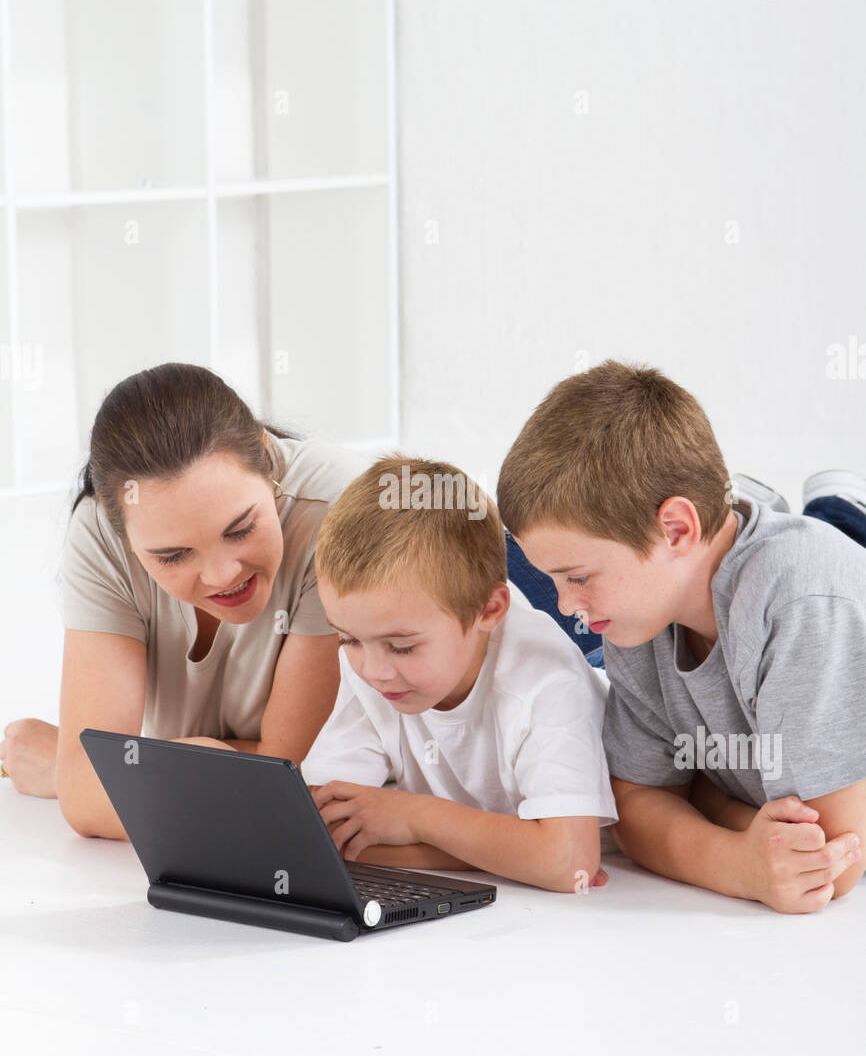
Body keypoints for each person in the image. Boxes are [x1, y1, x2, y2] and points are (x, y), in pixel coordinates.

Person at [497, 359, 866, 915]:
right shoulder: (634, 623)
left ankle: (843, 511)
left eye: (577, 577)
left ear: (676, 530)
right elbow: (636, 810)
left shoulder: (798, 599)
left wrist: (702, 800)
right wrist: (741, 860)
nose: (567, 605)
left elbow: (831, 858)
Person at [0, 362, 366, 840]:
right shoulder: (99, 534)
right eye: (172, 555)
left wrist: (97, 769)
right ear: (118, 531)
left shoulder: (342, 512)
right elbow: (85, 798)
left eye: (240, 529)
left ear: (266, 457)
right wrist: (89, 780)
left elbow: (286, 772)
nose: (222, 575)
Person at [300, 455, 616, 892]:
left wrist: (412, 816)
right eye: (346, 639)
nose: (373, 671)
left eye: (403, 646)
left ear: (489, 611)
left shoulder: (546, 680)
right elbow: (319, 836)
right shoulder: (375, 653)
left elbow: (569, 864)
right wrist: (504, 850)